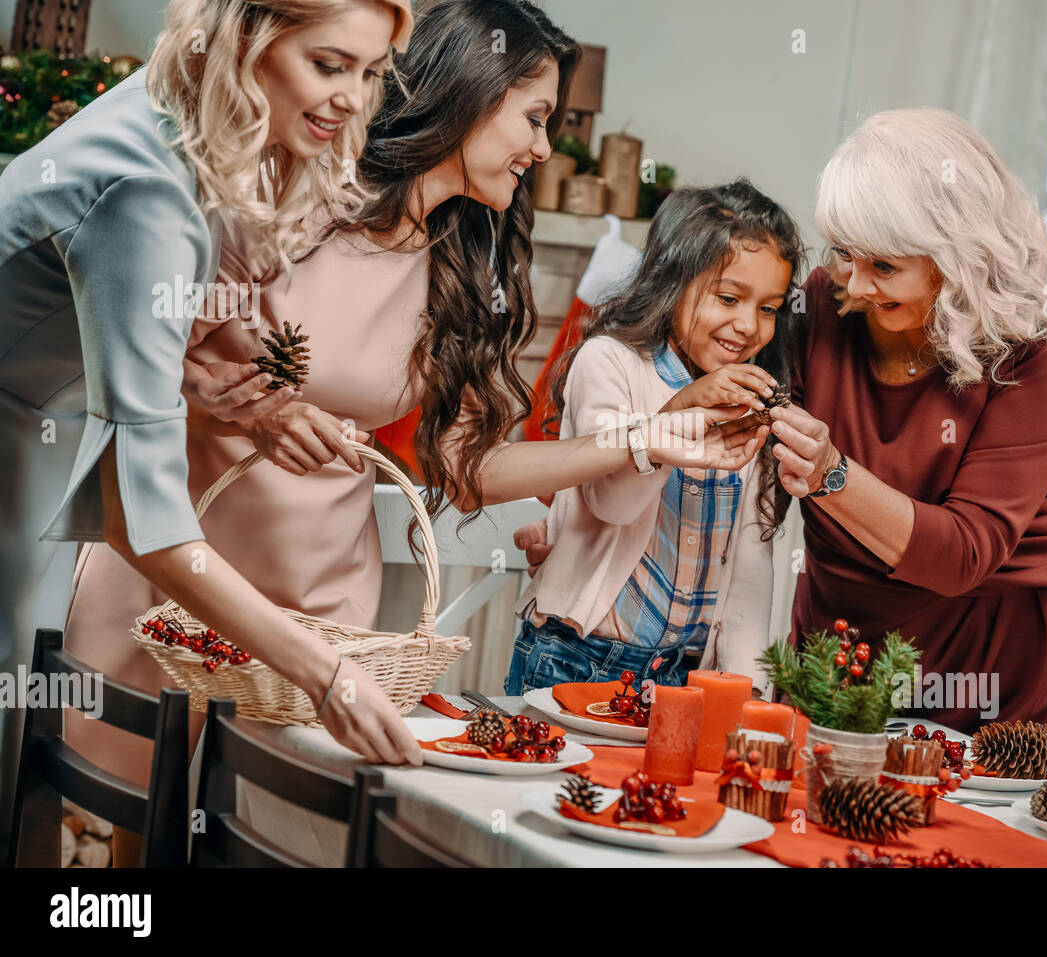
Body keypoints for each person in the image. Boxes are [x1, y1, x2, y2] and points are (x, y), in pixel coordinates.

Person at [62, 0, 766, 858]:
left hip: (324, 609)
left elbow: (471, 466)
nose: (544, 149)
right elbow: (144, 365)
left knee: (261, 845)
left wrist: (650, 436)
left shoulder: (459, 263)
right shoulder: (306, 190)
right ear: (470, 95)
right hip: (175, 575)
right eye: (534, 118)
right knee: (114, 848)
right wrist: (259, 411)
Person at [0, 0, 417, 858]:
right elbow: (143, 526)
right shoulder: (149, 189)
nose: (351, 100)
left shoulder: (179, 121)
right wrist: (325, 670)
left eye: (370, 74)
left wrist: (186, 381)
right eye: (329, 63)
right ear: (249, 39)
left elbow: (75, 310)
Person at [767, 108, 1047, 740]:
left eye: (885, 267)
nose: (857, 284)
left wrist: (832, 475)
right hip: (847, 634)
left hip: (997, 656)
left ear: (954, 254)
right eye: (845, 255)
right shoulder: (823, 298)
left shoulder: (1039, 346)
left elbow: (964, 554)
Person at [505, 180, 803, 695]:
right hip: (578, 656)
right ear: (672, 282)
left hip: (685, 679)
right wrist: (682, 410)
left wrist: (749, 686)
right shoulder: (610, 362)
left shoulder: (757, 400)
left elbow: (751, 570)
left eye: (769, 308)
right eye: (729, 298)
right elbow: (611, 502)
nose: (748, 325)